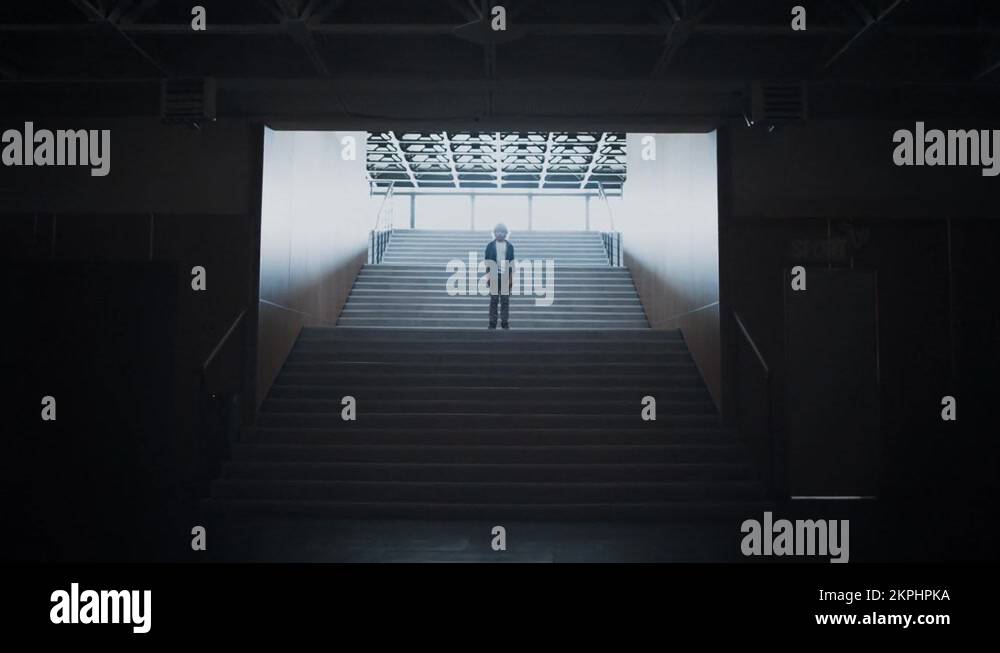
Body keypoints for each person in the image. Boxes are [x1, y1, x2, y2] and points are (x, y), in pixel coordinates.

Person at [484, 223, 515, 329]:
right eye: (498, 231)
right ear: (494, 233)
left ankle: (504, 322)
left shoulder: (510, 246)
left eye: (502, 232)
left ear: (506, 234)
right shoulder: (490, 246)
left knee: (505, 301)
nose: (500, 234)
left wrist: (511, 278)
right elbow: (487, 262)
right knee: (494, 300)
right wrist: (488, 276)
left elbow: (511, 263)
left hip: (505, 276)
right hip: (494, 275)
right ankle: (492, 323)